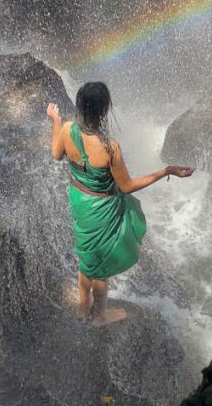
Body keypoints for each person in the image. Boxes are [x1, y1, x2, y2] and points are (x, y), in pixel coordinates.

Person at [47, 81, 194, 325]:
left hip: (79, 200)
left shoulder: (67, 129)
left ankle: (83, 308)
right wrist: (165, 170)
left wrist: (55, 120)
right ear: (104, 110)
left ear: (80, 106)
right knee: (101, 268)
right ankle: (100, 315)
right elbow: (126, 186)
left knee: (88, 256)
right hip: (103, 209)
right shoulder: (109, 147)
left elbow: (56, 154)